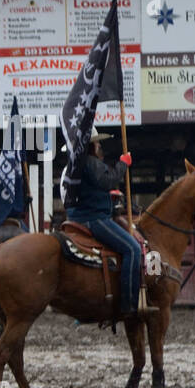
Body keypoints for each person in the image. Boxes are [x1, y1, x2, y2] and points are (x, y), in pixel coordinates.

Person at [65, 132, 140, 317]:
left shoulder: (75, 164)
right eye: (97, 144)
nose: (100, 147)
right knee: (133, 249)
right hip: (94, 218)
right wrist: (123, 163)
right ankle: (128, 305)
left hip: (77, 216)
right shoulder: (90, 162)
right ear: (92, 146)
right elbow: (108, 181)